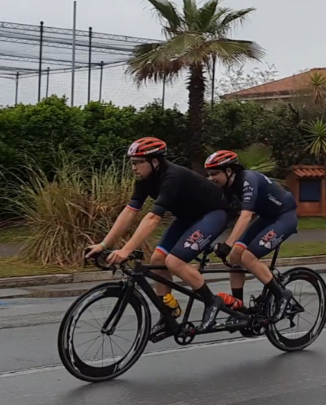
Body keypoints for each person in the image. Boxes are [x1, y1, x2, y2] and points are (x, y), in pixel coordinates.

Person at [85, 137, 230, 337]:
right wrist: (103, 244)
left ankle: (212, 301)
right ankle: (169, 311)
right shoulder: (144, 181)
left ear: (155, 162)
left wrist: (126, 250)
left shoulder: (172, 176)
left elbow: (152, 218)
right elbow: (129, 211)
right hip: (188, 217)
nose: (134, 168)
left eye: (138, 163)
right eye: (132, 163)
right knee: (157, 260)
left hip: (213, 214)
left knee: (174, 261)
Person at [204, 150, 299, 321]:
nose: (211, 178)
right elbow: (226, 215)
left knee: (247, 257)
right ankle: (238, 307)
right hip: (267, 217)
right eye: (209, 174)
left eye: (214, 173)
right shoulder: (228, 186)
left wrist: (228, 243)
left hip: (284, 217)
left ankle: (281, 295)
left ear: (229, 171)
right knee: (235, 255)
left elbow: (246, 215)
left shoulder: (248, 179)